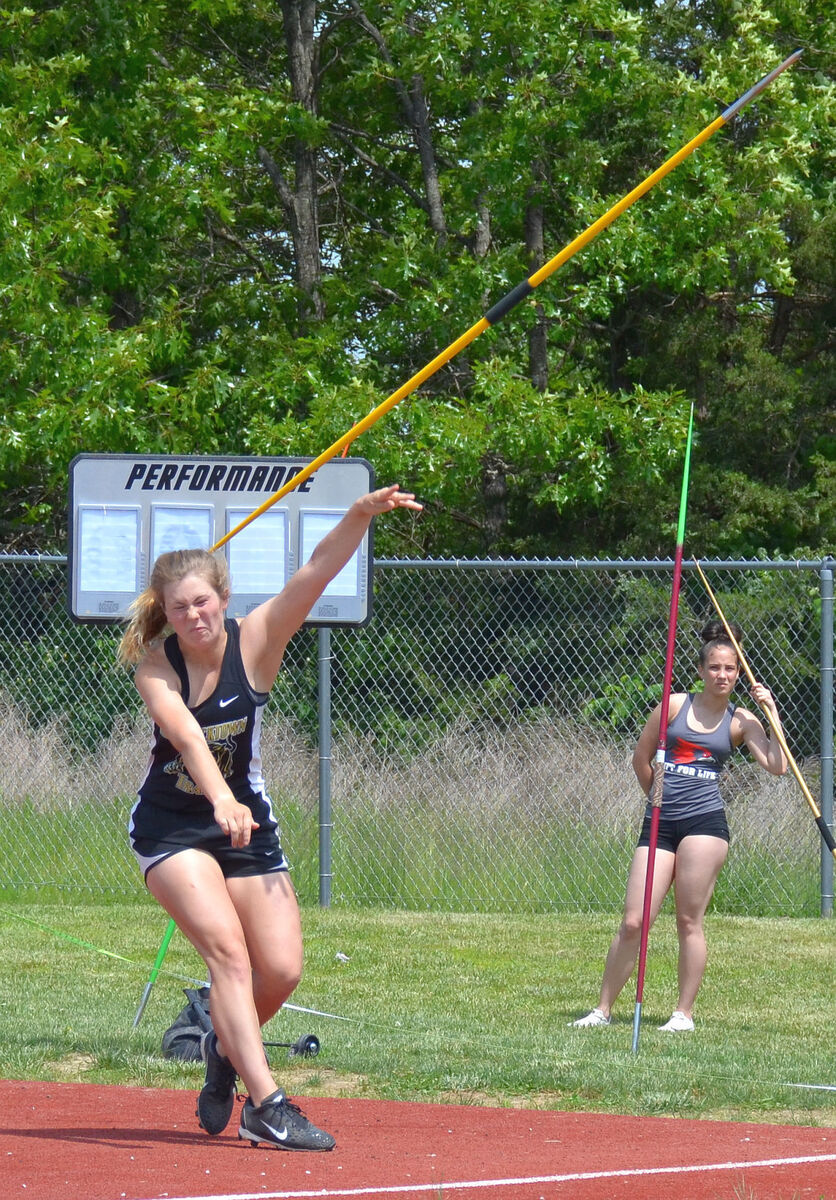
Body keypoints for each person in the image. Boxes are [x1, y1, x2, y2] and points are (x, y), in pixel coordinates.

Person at [119, 485, 422, 1151]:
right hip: (173, 828)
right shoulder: (156, 666)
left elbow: (315, 572)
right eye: (180, 607)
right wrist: (218, 799)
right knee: (227, 954)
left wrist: (358, 513)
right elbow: (189, 738)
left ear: (222, 600)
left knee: (279, 970)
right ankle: (268, 1103)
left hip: (246, 823)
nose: (194, 615)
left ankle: (226, 1048)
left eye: (202, 602)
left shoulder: (256, 639)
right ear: (166, 614)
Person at [571, 619, 787, 1033]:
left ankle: (682, 1014)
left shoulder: (743, 720)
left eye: (730, 669)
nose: (722, 675)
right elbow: (641, 759)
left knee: (688, 920)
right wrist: (654, 797)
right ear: (702, 671)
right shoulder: (672, 706)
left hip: (705, 824)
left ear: (739, 673)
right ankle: (602, 1010)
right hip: (660, 822)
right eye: (715, 668)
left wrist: (771, 712)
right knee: (634, 920)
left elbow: (777, 766)